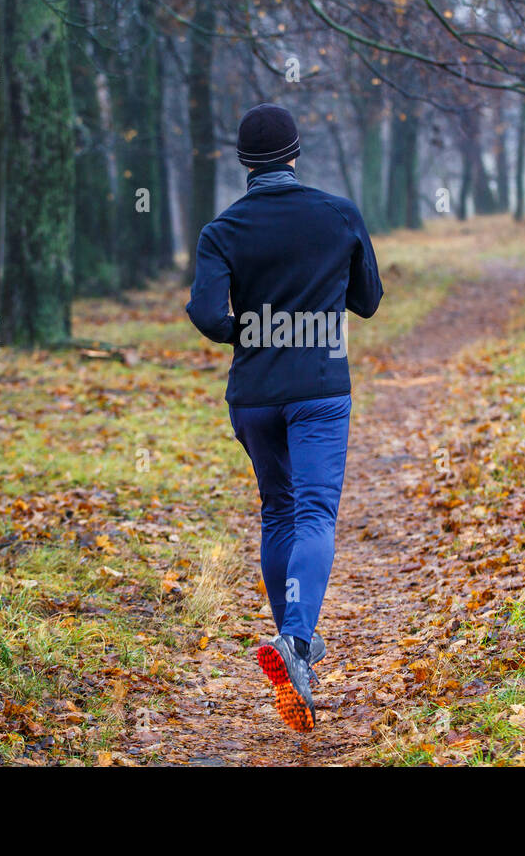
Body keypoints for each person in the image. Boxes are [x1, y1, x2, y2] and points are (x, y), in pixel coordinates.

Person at [186, 103, 383, 733]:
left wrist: (253, 326)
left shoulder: (222, 230)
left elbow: (208, 315)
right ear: (296, 154)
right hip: (320, 386)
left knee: (278, 511)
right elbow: (368, 301)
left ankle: (289, 643)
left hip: (255, 394)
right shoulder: (338, 215)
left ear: (244, 162)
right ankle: (296, 639)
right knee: (315, 512)